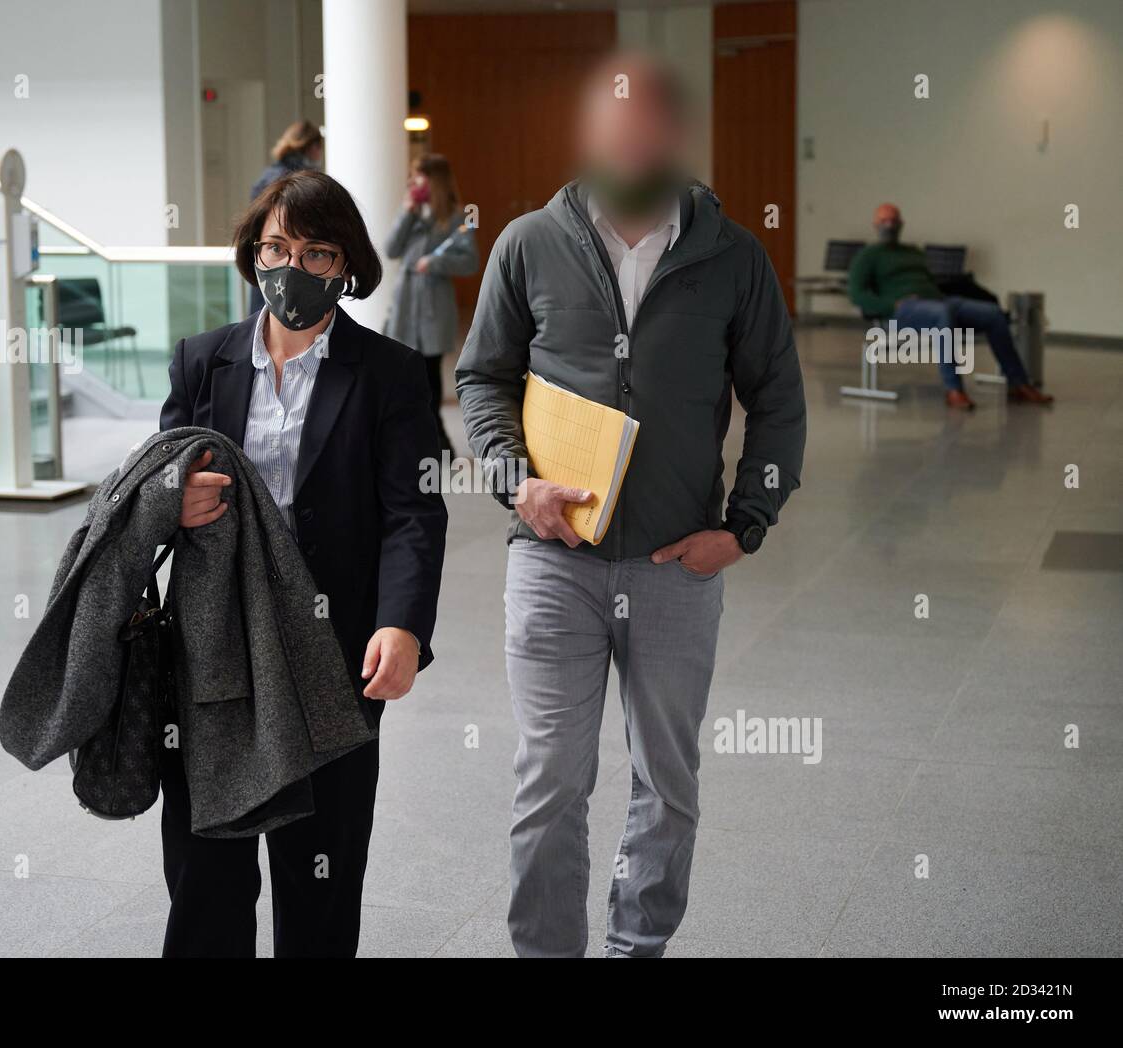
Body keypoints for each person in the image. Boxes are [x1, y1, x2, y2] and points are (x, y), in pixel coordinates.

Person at [456, 52, 806, 957]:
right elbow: (482, 379)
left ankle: (635, 947)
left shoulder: (733, 256)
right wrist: (512, 481)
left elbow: (778, 399)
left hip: (674, 566)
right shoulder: (529, 242)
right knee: (549, 784)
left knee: (667, 782)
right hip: (551, 559)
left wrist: (744, 528)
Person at [159, 170, 448, 957]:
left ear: (346, 268)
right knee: (205, 871)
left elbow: (414, 511)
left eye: (318, 252)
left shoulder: (386, 374)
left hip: (335, 650)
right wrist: (169, 498)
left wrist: (402, 623)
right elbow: (149, 481)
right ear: (253, 255)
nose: (294, 268)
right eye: (277, 247)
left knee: (319, 872)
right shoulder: (201, 362)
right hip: (215, 655)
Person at [847, 203, 1053, 409]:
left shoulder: (913, 252)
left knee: (993, 314)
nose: (889, 225)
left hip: (937, 301)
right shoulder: (868, 256)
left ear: (901, 223)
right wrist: (890, 305)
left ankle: (1019, 384)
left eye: (893, 220)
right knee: (942, 314)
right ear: (875, 224)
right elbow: (856, 294)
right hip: (903, 310)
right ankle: (954, 390)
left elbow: (929, 282)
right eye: (884, 220)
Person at [383, 154, 479, 450]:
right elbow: (391, 249)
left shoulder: (457, 217)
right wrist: (406, 213)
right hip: (406, 302)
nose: (414, 183)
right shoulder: (412, 214)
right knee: (402, 372)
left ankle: (436, 438)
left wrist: (436, 263)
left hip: (434, 305)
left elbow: (470, 262)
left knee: (430, 376)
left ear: (434, 181)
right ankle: (420, 437)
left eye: (420, 177)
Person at [247, 120, 325, 315]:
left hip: (267, 259)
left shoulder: (269, 175)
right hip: (288, 267)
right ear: (313, 147)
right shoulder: (301, 181)